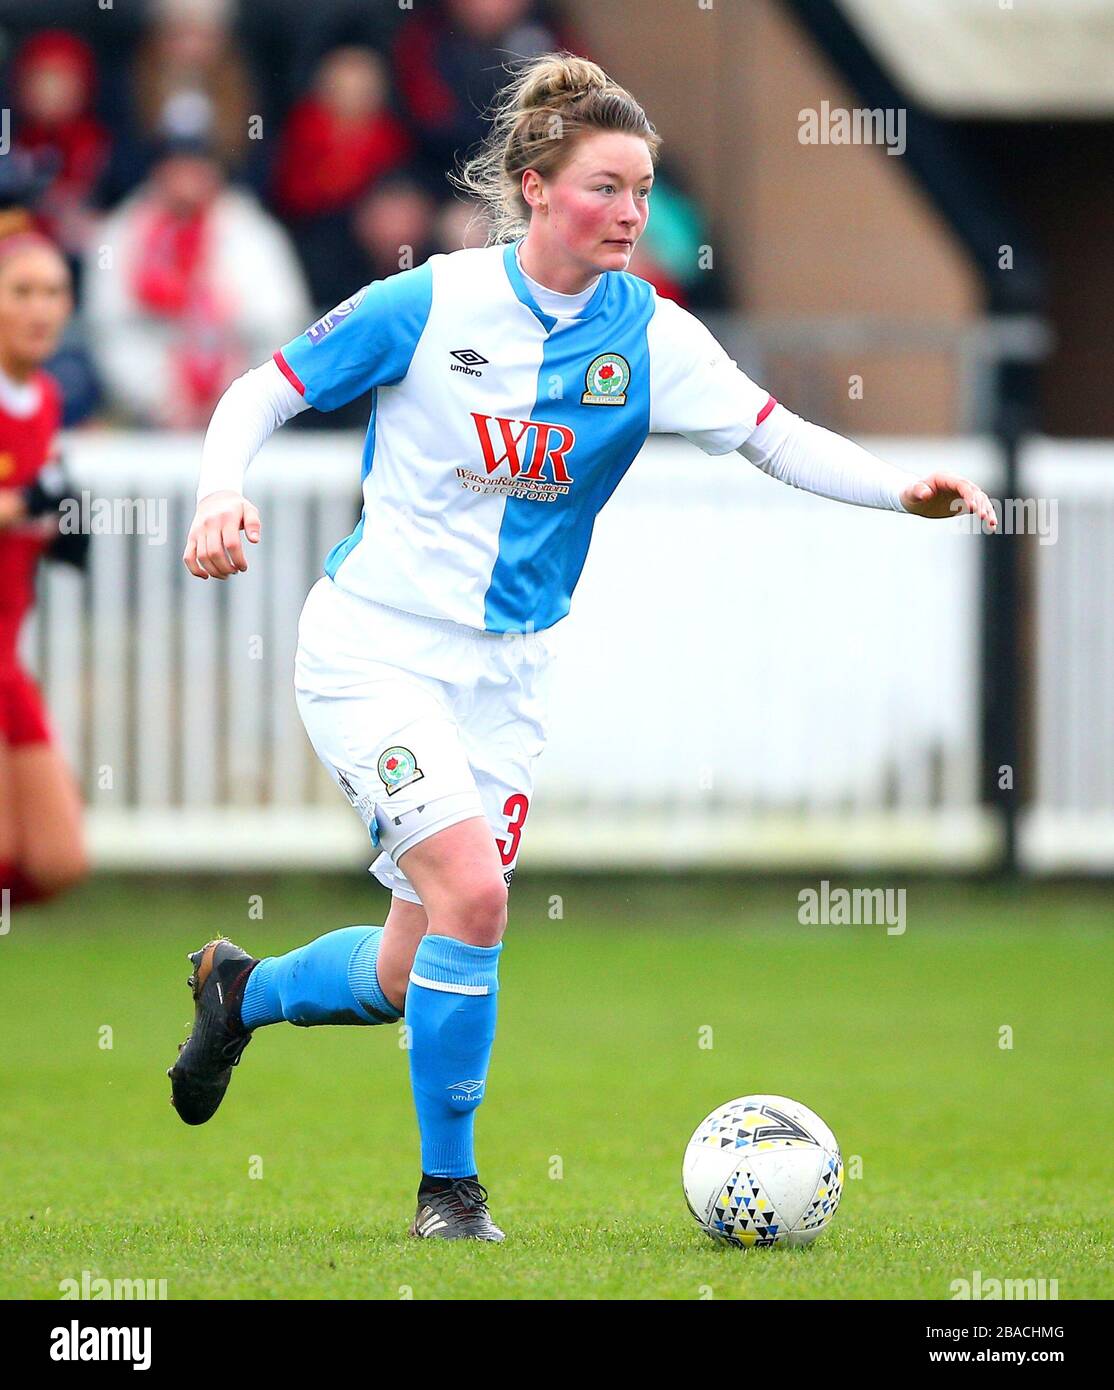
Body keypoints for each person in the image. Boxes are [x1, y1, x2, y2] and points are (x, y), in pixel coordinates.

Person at [168, 53, 997, 1242]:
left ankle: (238, 992)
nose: (630, 212)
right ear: (534, 186)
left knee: (411, 968)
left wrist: (895, 491)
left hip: (506, 674)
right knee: (477, 894)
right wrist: (215, 492)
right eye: (606, 186)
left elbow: (774, 436)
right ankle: (449, 1194)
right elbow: (263, 390)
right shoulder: (433, 303)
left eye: (644, 188)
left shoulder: (651, 335)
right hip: (375, 651)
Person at [0, 211, 89, 910]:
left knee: (56, 860)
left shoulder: (47, 397)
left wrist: (62, 521)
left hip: (8, 652)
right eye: (21, 291)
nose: (40, 309)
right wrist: (24, 500)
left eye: (53, 292)